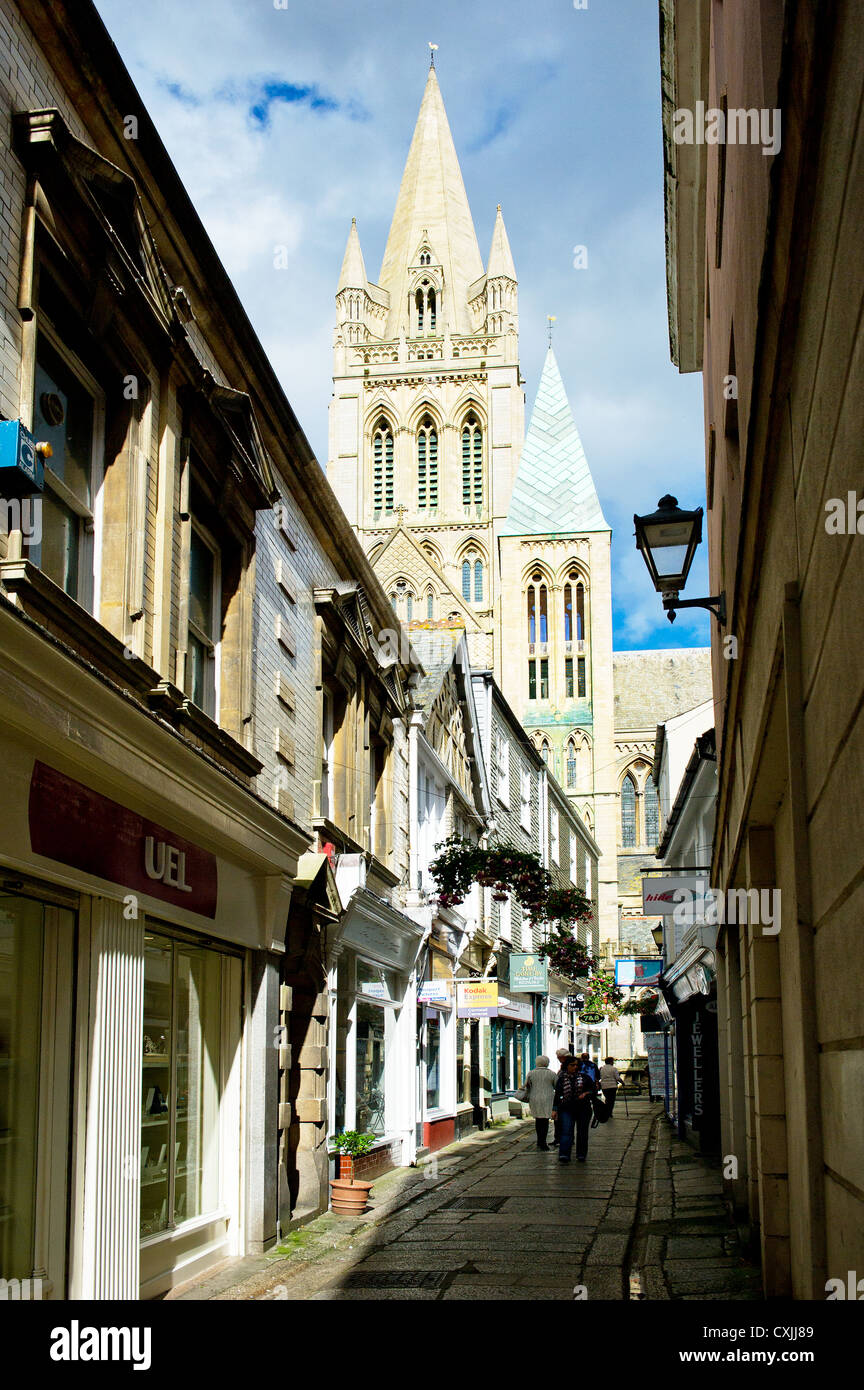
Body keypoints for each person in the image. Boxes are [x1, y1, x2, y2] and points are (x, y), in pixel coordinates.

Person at [551, 1055, 598, 1162]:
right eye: (572, 1065)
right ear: (566, 1066)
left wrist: (586, 1093)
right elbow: (558, 1095)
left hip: (583, 1109)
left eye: (577, 1065)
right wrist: (554, 1109)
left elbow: (594, 1091)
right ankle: (564, 1154)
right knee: (566, 1131)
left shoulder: (585, 1078)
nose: (575, 1067)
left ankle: (581, 1154)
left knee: (582, 1132)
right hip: (566, 1109)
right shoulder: (562, 1079)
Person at [523, 1055, 557, 1150]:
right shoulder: (552, 1074)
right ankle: (543, 1142)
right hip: (547, 1098)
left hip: (535, 1097)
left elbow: (527, 1085)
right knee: (545, 1119)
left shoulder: (531, 1073)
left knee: (538, 1119)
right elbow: (557, 1085)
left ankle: (539, 1140)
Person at [551, 1048, 570, 1147]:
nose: (558, 1059)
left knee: (561, 1120)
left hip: (565, 1098)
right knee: (559, 1120)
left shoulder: (568, 1068)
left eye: (559, 1058)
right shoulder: (563, 1067)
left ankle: (561, 1139)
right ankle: (559, 1138)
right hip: (562, 1097)